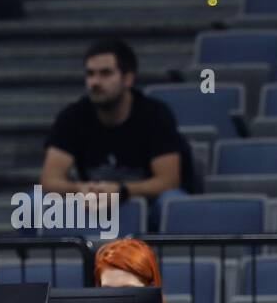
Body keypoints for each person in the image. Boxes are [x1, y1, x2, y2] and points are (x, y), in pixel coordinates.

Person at [40, 38, 190, 232]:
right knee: (34, 203)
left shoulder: (154, 115)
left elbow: (169, 181)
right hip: (92, 201)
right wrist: (79, 189)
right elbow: (49, 179)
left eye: (105, 74)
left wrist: (122, 191)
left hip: (145, 203)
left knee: (172, 201)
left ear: (128, 78)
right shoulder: (73, 116)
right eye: (90, 74)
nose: (95, 82)